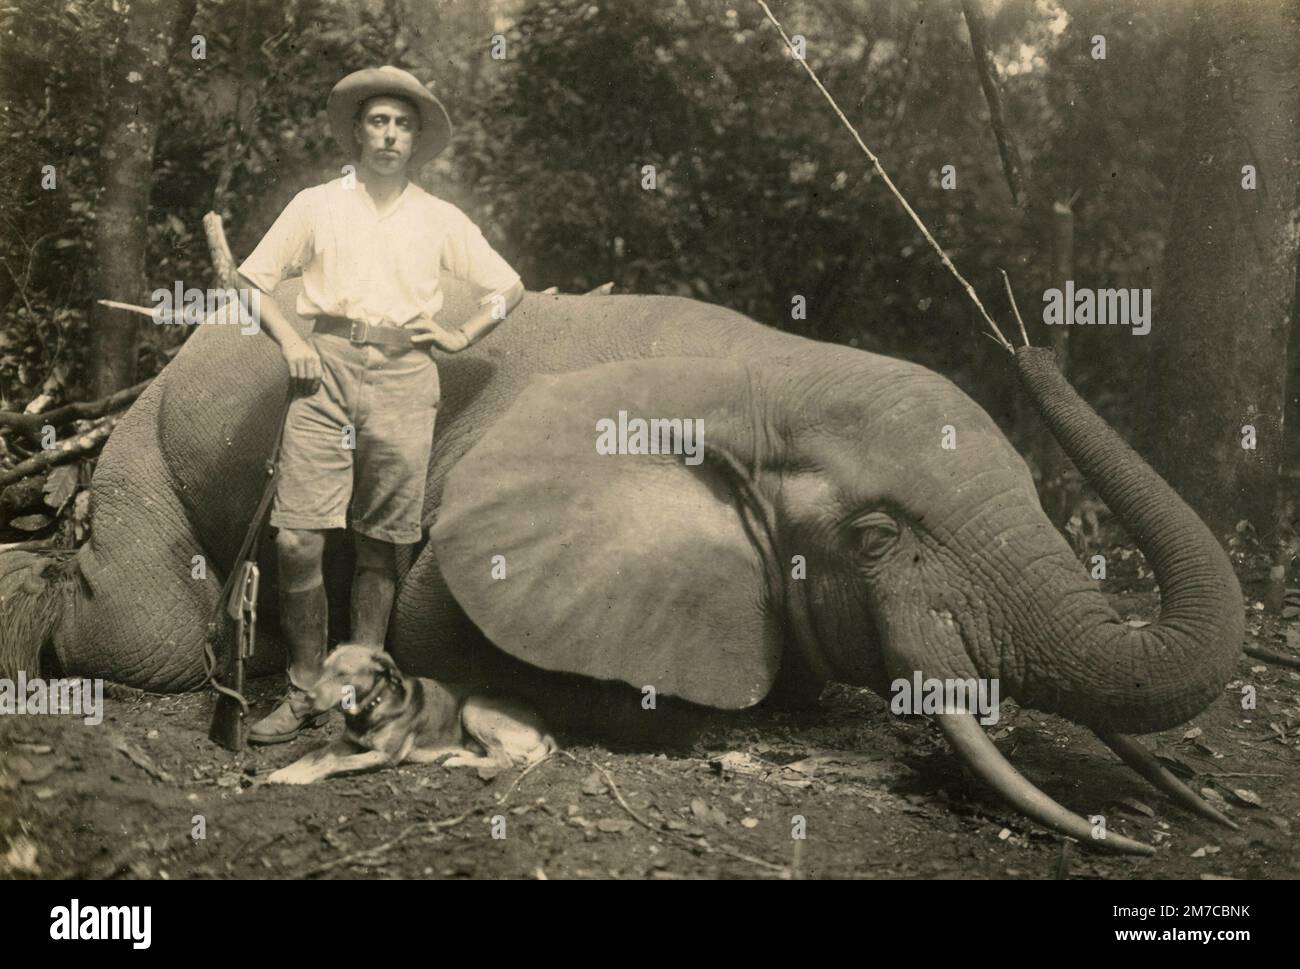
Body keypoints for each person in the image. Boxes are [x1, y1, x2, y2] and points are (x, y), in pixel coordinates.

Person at [236, 65, 525, 744]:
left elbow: (507, 287)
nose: (389, 134)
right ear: (357, 132)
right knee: (298, 537)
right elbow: (250, 280)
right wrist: (289, 340)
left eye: (402, 123)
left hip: (405, 378)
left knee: (381, 546)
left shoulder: (438, 217)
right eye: (378, 121)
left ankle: (358, 692)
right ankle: (307, 689)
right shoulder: (317, 204)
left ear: (416, 139)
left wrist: (458, 334)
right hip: (326, 371)